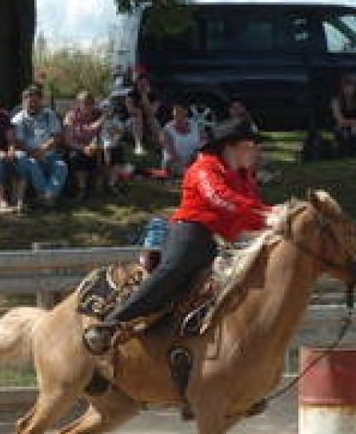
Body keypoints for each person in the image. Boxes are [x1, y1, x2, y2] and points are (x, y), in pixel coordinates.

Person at [82, 117, 270, 354]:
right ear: (230, 146)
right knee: (175, 267)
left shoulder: (245, 177)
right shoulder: (204, 168)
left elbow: (253, 212)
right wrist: (272, 215)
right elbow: (219, 199)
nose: (255, 151)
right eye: (250, 145)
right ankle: (112, 322)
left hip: (225, 242)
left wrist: (272, 220)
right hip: (193, 231)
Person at [11, 83, 67, 209]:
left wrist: (43, 149)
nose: (32, 105)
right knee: (31, 163)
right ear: (24, 102)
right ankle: (48, 197)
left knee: (62, 166)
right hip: (31, 156)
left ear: (41, 101)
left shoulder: (49, 114)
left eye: (35, 101)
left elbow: (57, 136)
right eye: (29, 102)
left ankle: (46, 195)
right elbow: (18, 143)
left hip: (50, 155)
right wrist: (34, 153)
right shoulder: (18, 119)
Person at [64, 90, 104, 200]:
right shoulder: (71, 116)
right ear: (78, 104)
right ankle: (82, 188)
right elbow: (68, 140)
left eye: (90, 103)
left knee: (108, 152)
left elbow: (105, 133)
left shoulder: (99, 115)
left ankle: (104, 185)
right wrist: (83, 148)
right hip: (78, 147)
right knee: (76, 157)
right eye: (84, 103)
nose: (88, 106)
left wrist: (95, 144)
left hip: (97, 146)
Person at [330, 75, 356, 157]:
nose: (348, 90)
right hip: (342, 126)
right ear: (342, 88)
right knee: (344, 133)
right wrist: (353, 123)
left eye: (350, 87)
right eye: (346, 87)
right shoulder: (336, 101)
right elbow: (340, 120)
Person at [160, 102, 203, 175]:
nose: (177, 115)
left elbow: (203, 143)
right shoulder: (166, 130)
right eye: (176, 111)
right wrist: (183, 164)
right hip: (174, 162)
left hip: (193, 160)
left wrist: (195, 156)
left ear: (186, 112)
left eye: (180, 111)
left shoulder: (195, 126)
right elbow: (171, 153)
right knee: (175, 166)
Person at [127, 73, 163, 155]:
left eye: (145, 84)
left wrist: (144, 96)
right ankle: (138, 145)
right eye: (140, 84)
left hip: (150, 122)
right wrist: (138, 111)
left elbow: (151, 112)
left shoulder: (154, 95)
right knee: (138, 116)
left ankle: (160, 146)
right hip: (133, 123)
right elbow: (130, 110)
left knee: (151, 119)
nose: (142, 86)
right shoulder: (131, 94)